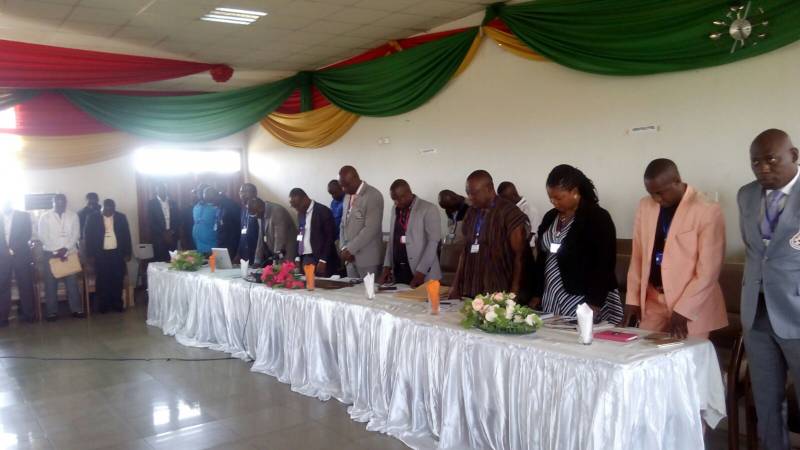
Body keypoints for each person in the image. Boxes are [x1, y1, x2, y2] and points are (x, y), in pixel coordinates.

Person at [738, 128, 800, 450]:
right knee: (766, 401)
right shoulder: (746, 195)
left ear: (794, 155)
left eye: (771, 159)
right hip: (757, 313)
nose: (763, 168)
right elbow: (754, 252)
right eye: (755, 162)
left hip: (797, 312)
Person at [623, 159, 728, 339]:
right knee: (644, 358)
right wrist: (632, 300)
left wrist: (684, 310)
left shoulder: (706, 209)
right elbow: (638, 256)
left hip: (693, 306)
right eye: (651, 193)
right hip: (654, 299)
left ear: (677, 181)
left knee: (687, 362)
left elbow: (708, 271)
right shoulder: (645, 206)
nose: (656, 199)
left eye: (660, 193)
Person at [531, 165, 623, 324]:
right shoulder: (550, 217)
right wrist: (537, 293)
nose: (554, 202)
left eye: (559, 198)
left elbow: (604, 264)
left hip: (584, 297)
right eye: (550, 198)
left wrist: (594, 302)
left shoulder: (597, 217)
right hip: (551, 294)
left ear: (575, 192)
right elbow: (541, 259)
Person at [448, 170, 528, 299]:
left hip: (499, 291)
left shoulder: (510, 213)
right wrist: (456, 285)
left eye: (474, 193)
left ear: (489, 189)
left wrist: (514, 292)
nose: (470, 197)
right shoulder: (471, 213)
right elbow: (465, 251)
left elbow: (520, 257)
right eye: (468, 193)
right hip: (471, 288)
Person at [379, 180, 441, 287]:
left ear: (409, 193)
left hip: (422, 273)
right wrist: (386, 266)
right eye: (394, 199)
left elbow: (433, 243)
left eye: (399, 198)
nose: (396, 202)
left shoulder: (428, 209)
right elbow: (392, 239)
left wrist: (421, 272)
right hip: (399, 272)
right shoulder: (395, 209)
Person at [38, 194, 85, 321]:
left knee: (72, 284)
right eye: (57, 201)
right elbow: (42, 236)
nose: (60, 204)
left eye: (62, 201)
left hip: (69, 253)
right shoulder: (45, 217)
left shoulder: (73, 215)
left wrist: (65, 249)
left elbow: (76, 234)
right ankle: (51, 312)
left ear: (66, 202)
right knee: (50, 284)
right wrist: (56, 250)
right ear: (52, 202)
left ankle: (76, 309)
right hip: (51, 254)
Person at [84, 199, 132, 313]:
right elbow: (88, 237)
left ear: (114, 208)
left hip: (117, 253)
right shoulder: (92, 218)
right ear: (102, 208)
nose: (109, 211)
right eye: (107, 209)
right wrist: (90, 255)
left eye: (112, 209)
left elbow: (127, 236)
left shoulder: (121, 217)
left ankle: (117, 303)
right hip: (100, 254)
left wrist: (128, 253)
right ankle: (103, 305)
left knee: (117, 278)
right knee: (102, 280)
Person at [338, 166, 384, 278]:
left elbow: (371, 229)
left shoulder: (373, 195)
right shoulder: (347, 196)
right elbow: (343, 224)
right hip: (349, 258)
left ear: (355, 179)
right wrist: (344, 248)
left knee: (369, 294)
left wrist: (350, 249)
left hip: (367, 259)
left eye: (346, 185)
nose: (343, 189)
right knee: (351, 294)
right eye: (342, 186)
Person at [289, 188, 340, 277]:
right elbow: (300, 235)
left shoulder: (323, 211)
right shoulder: (300, 214)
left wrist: (323, 260)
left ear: (305, 199)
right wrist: (297, 257)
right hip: (305, 259)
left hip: (321, 260)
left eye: (297, 205)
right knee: (308, 288)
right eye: (294, 207)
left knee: (322, 289)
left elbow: (330, 238)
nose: (296, 209)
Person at [0, 201, 35, 324]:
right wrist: (5, 251)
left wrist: (12, 249)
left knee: (25, 285)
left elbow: (27, 234)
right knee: (2, 286)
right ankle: (2, 318)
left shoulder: (23, 216)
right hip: (2, 257)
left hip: (21, 255)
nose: (5, 205)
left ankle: (28, 315)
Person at [251, 198, 298, 266]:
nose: (255, 217)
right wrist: (257, 261)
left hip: (287, 252)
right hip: (277, 253)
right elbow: (260, 238)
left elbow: (280, 239)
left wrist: (275, 262)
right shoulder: (260, 213)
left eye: (254, 214)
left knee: (285, 274)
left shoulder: (277, 211)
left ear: (260, 208)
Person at [498, 181, 540, 246]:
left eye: (505, 199)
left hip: (528, 249)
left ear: (513, 196)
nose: (503, 203)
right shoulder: (507, 209)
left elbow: (534, 233)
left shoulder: (530, 210)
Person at [204, 187, 241, 259]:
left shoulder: (231, 206)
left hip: (231, 247)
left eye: (210, 200)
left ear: (216, 196)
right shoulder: (219, 206)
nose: (210, 203)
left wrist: (236, 252)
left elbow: (238, 229)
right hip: (221, 246)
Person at [147, 183, 179, 262]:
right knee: (160, 261)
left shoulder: (173, 203)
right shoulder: (151, 204)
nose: (162, 191)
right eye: (159, 189)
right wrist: (164, 233)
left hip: (172, 236)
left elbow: (178, 219)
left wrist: (171, 232)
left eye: (163, 189)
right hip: (159, 237)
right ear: (156, 191)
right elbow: (151, 221)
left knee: (173, 260)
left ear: (166, 190)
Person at [238, 183, 260, 264]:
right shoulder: (243, 209)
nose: (241, 195)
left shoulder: (259, 208)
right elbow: (242, 231)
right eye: (240, 192)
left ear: (254, 193)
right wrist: (239, 252)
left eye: (244, 192)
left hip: (257, 253)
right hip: (244, 253)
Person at [192, 188, 217, 255]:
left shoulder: (217, 208)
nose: (206, 195)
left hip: (212, 247)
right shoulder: (196, 207)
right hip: (198, 246)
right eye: (204, 193)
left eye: (209, 193)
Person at [180, 184, 204, 251]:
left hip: (202, 241)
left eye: (196, 194)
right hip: (189, 240)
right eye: (193, 194)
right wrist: (183, 240)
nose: (195, 196)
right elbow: (182, 226)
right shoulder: (186, 210)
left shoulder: (205, 208)